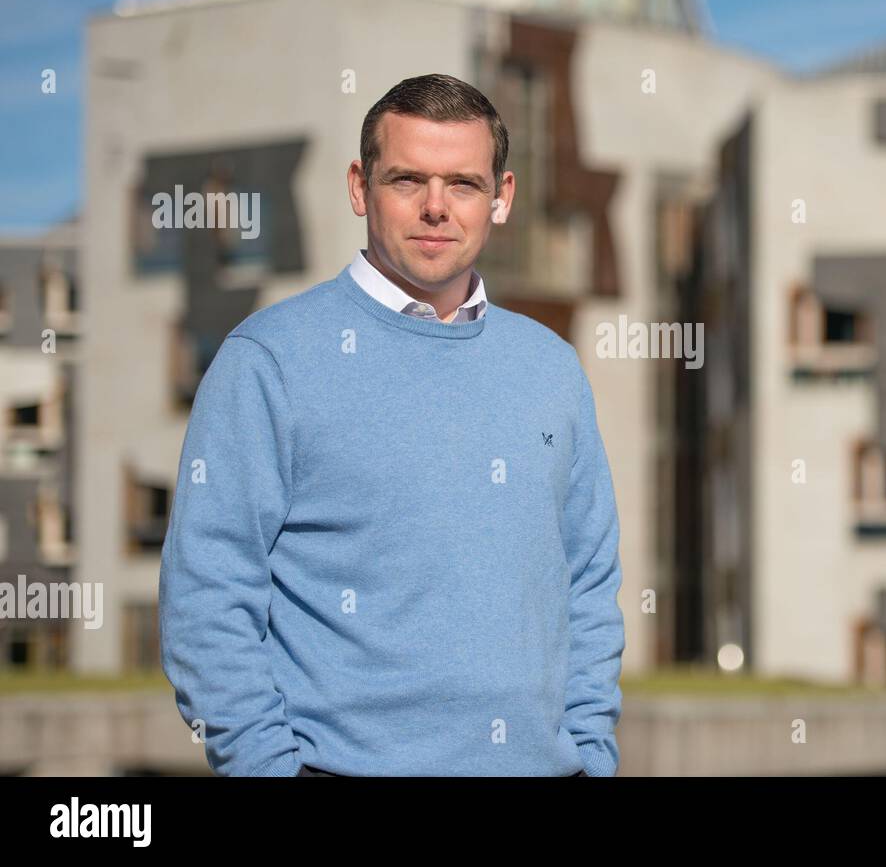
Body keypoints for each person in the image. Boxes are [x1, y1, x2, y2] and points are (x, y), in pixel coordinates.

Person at [159, 73, 623, 777]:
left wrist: (590, 754)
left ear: (503, 198)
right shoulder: (269, 360)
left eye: (464, 184)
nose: (436, 208)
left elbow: (588, 581)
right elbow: (207, 596)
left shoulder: (551, 368)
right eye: (408, 179)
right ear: (358, 186)